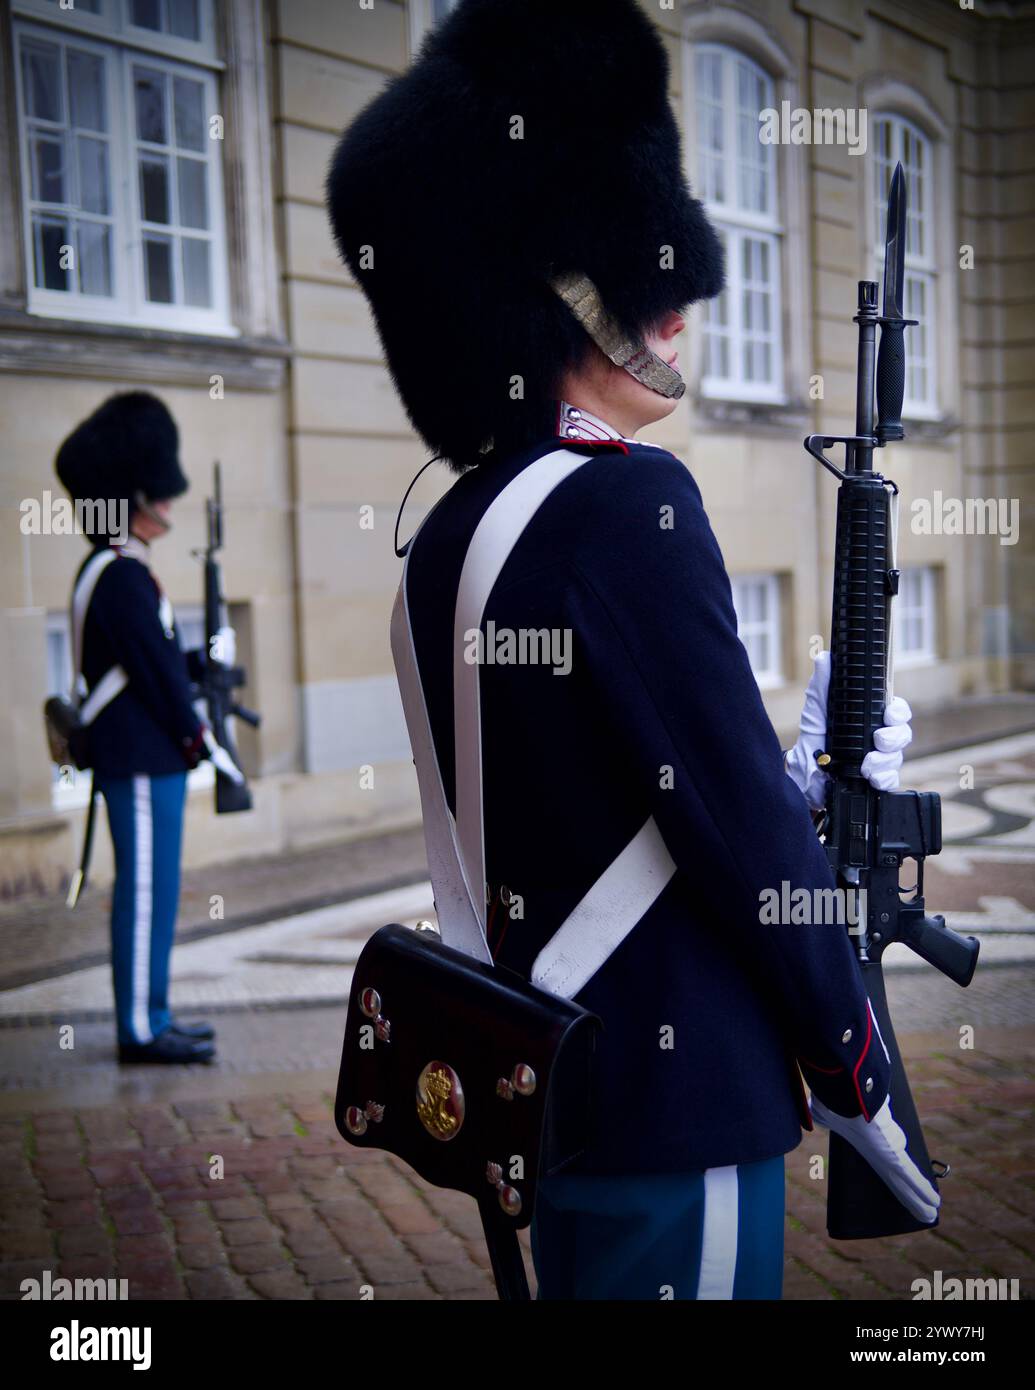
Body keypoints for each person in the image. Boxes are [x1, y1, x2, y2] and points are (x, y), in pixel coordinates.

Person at [325, 0, 938, 1298]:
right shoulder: (627, 502)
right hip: (678, 1110)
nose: (676, 318)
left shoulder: (449, 531)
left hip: (551, 1092)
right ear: (562, 291)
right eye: (646, 288)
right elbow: (738, 838)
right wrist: (858, 1066)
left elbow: (607, 803)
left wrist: (802, 769)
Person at [55, 391, 237, 1065]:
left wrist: (201, 664)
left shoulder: (121, 571)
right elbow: (155, 679)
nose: (167, 502)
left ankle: (153, 1013)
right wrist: (198, 739)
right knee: (142, 894)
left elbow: (150, 661)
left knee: (156, 893)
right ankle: (139, 1028)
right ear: (133, 497)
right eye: (157, 493)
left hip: (144, 755)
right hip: (139, 757)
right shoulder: (120, 575)